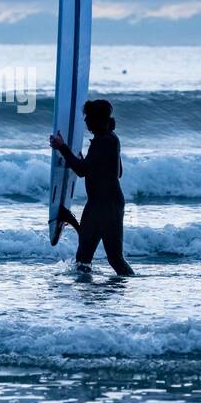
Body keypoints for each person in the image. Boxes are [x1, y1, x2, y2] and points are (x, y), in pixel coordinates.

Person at [49, 99, 134, 276]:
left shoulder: (105, 141)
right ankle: (86, 292)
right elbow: (118, 172)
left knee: (115, 259)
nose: (85, 121)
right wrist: (88, 160)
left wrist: (62, 147)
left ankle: (129, 285)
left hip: (109, 205)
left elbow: (81, 171)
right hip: (96, 204)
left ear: (98, 119)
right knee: (83, 258)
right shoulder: (109, 139)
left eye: (88, 117)